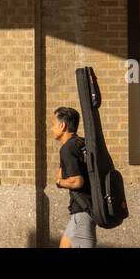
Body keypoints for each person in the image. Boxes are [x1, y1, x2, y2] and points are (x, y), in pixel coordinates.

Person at [52, 106, 93, 248]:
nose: (51, 128)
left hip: (83, 211)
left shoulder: (68, 148)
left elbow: (77, 181)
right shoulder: (80, 143)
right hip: (83, 210)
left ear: (62, 125)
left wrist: (59, 182)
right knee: (64, 244)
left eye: (53, 124)